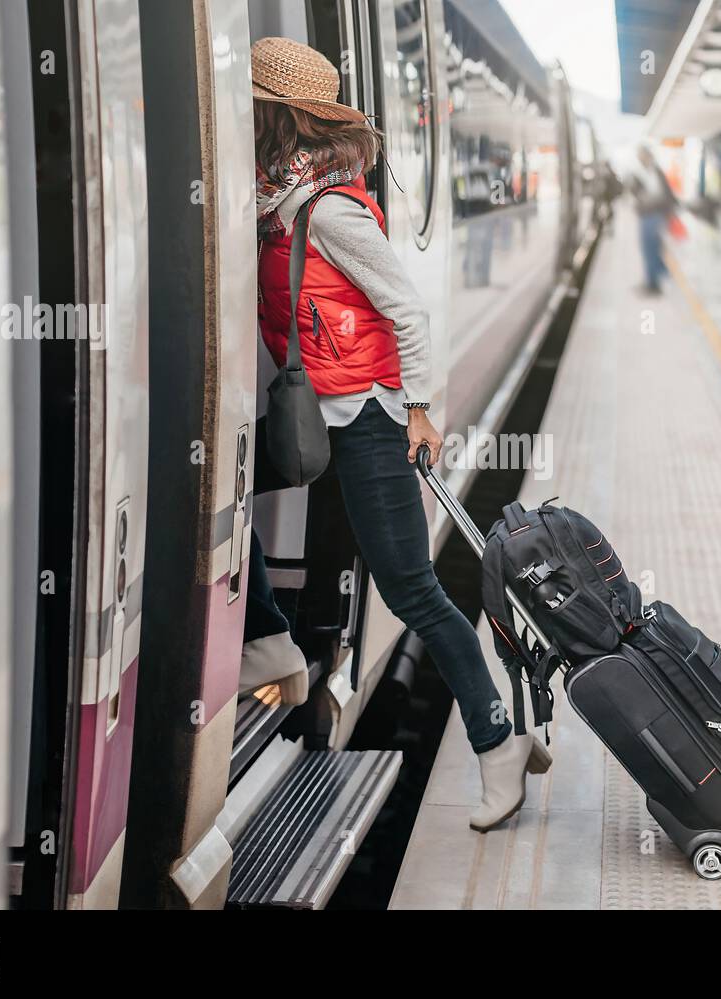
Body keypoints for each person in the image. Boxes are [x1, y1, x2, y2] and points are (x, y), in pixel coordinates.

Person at [246, 36, 550, 832]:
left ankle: (496, 742)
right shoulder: (276, 201)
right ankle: (272, 639)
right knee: (216, 489)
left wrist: (419, 409)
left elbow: (406, 309)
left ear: (277, 119)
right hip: (327, 419)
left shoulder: (330, 209)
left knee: (412, 588)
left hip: (371, 421)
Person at [627, 145, 678, 295]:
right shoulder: (647, 172)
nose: (640, 158)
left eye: (641, 155)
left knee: (650, 249)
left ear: (648, 156)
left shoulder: (654, 172)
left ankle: (653, 284)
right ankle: (652, 280)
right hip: (648, 215)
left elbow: (662, 196)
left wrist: (645, 202)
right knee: (649, 249)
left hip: (653, 216)